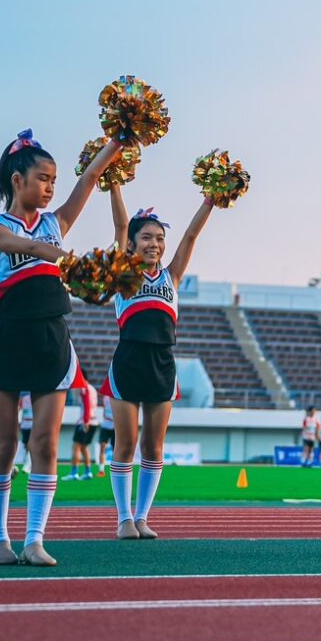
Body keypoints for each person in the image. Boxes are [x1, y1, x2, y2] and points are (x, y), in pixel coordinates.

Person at [0, 128, 122, 566]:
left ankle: (34, 539)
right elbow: (15, 245)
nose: (51, 186)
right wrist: (48, 252)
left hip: (52, 340)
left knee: (45, 443)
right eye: (43, 177)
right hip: (6, 339)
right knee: (2, 445)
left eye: (54, 179)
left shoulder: (57, 221)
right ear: (18, 180)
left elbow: (91, 178)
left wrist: (120, 140)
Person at [103, 192, 218, 540]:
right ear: (133, 244)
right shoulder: (124, 273)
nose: (155, 244)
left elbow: (191, 237)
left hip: (163, 365)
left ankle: (141, 517)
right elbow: (120, 225)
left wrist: (210, 202)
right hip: (128, 363)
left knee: (154, 446)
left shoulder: (171, 278)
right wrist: (114, 185)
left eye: (159, 238)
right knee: (126, 443)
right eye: (147, 238)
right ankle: (123, 518)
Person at [66, 383, 99, 480]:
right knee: (84, 448)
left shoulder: (84, 388)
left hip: (86, 421)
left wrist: (85, 421)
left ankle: (74, 473)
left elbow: (87, 404)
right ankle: (88, 472)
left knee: (76, 446)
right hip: (93, 420)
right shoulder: (92, 388)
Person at [14, 392, 34, 476]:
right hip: (25, 424)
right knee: (26, 445)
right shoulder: (24, 398)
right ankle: (28, 461)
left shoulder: (36, 396)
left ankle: (28, 465)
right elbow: (19, 410)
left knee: (31, 444)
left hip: (33, 424)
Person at [96, 394, 114, 477]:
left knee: (116, 450)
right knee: (102, 447)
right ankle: (101, 470)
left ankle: (114, 469)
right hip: (106, 425)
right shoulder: (106, 397)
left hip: (115, 427)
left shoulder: (116, 395)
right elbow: (104, 410)